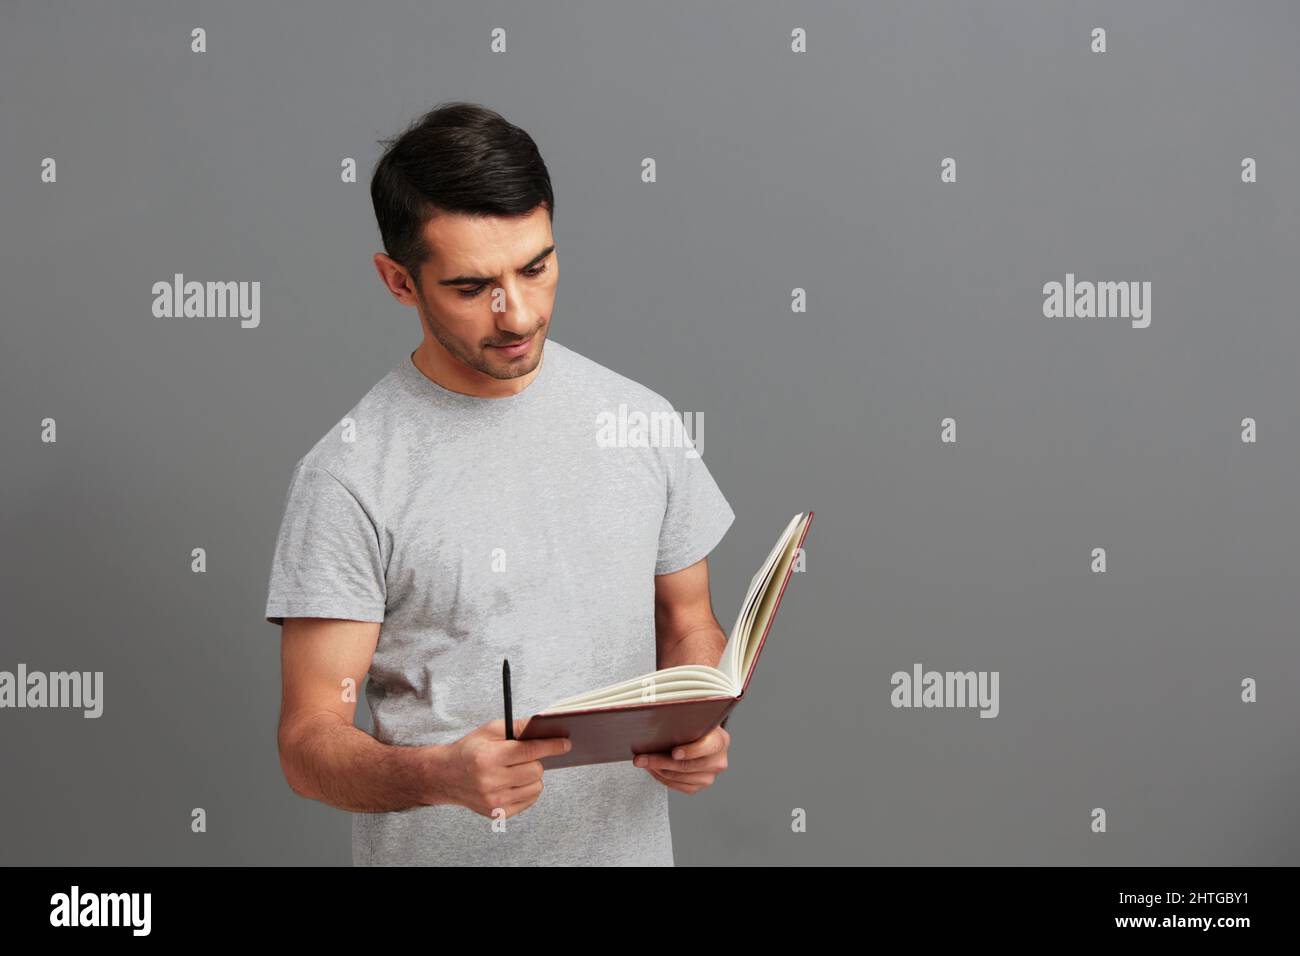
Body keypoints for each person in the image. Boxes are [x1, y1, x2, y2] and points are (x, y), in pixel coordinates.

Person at [264, 102, 736, 865]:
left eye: (536, 266)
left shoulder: (641, 421)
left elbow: (689, 624)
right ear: (398, 280)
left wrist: (701, 718)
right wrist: (438, 775)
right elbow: (308, 743)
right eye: (471, 285)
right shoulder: (349, 477)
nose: (516, 312)